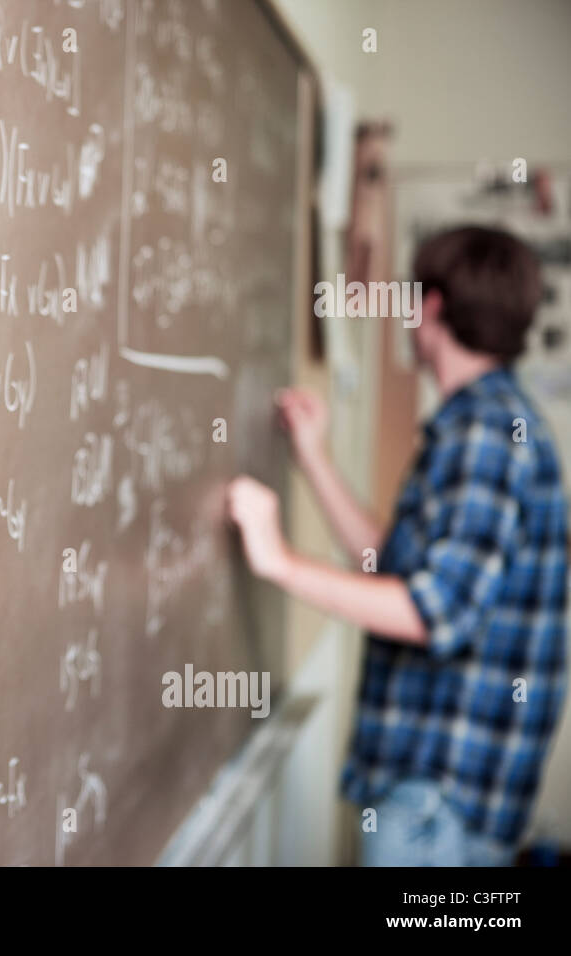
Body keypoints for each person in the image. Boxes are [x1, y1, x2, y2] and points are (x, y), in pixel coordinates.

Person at [228, 225, 568, 866]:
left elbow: (432, 609)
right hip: (440, 792)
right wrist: (313, 459)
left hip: (438, 800)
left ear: (433, 306)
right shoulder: (487, 422)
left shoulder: (487, 434)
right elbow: (389, 565)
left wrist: (279, 561)